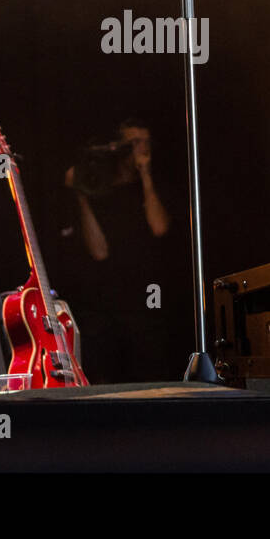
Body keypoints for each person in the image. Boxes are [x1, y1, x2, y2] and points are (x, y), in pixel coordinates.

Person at [63, 119, 178, 382]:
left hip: (149, 306)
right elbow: (99, 251)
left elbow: (160, 228)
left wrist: (146, 175)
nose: (141, 148)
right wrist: (80, 193)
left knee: (151, 380)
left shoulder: (158, 186)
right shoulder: (100, 189)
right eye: (134, 142)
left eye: (146, 141)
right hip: (105, 308)